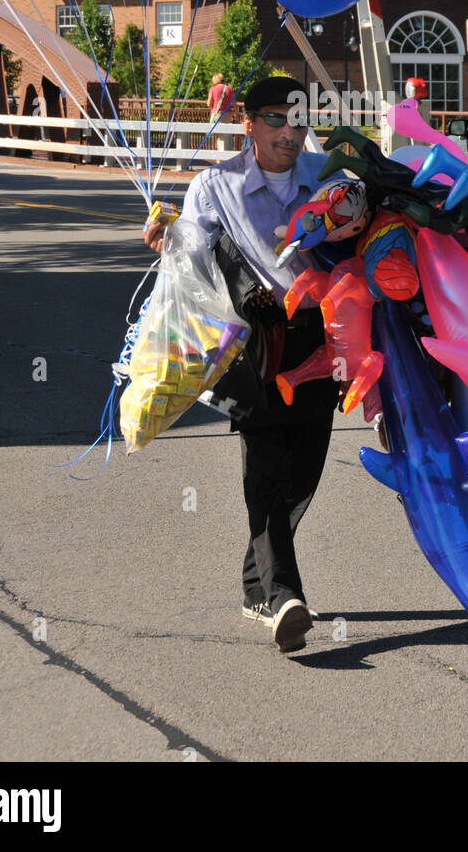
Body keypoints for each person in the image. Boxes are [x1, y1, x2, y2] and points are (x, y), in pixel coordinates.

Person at [143, 77, 339, 655]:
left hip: (319, 342)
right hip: (256, 341)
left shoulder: (326, 176)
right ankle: (282, 597)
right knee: (268, 463)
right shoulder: (216, 185)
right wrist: (164, 239)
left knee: (304, 471)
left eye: (298, 120)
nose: (289, 132)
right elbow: (194, 251)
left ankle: (258, 584)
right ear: (247, 124)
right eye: (275, 119)